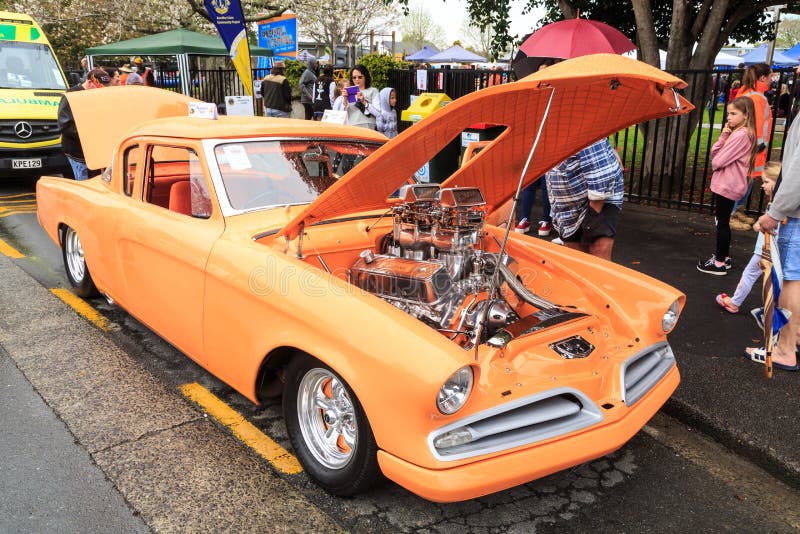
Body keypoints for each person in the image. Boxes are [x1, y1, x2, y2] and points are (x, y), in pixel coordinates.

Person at [749, 113, 800, 371]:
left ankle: (785, 349)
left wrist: (776, 212)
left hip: (796, 214)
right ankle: (793, 341)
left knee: (792, 279)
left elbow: (797, 174)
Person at [697, 97, 758, 275]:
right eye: (728, 113)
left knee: (722, 223)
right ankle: (723, 257)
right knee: (723, 222)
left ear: (746, 115)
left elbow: (717, 161)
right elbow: (716, 154)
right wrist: (724, 134)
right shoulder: (740, 133)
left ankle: (719, 263)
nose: (728, 117)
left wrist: (725, 139)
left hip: (728, 184)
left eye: (733, 113)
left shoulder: (741, 135)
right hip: (729, 183)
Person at [715, 161, 781, 313]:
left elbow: (764, 225)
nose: (762, 185)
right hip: (773, 249)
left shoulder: (777, 205)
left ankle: (734, 302)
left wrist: (758, 225)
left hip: (765, 248)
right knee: (776, 279)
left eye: (766, 182)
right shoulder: (781, 204)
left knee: (750, 274)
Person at [545, 138, 624, 261]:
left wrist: (592, 219)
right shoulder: (552, 131)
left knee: (597, 253)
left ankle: (599, 280)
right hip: (569, 207)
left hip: (598, 201)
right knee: (576, 258)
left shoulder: (583, 131)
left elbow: (601, 177)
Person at [731, 63, 772, 221]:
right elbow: (758, 123)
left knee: (745, 179)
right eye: (770, 75)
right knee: (744, 180)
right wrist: (759, 145)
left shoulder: (748, 93)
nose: (772, 79)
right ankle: (732, 213)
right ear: (762, 77)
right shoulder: (756, 97)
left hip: (748, 144)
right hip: (753, 146)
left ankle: (736, 211)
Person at [57, 68, 112, 180]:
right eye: (99, 87)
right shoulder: (71, 95)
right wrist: (89, 135)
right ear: (90, 82)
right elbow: (65, 125)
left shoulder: (97, 95)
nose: (101, 91)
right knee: (83, 182)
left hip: (94, 151)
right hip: (77, 152)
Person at [340, 64, 378, 129]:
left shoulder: (373, 91)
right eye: (354, 77)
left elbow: (378, 113)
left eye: (360, 77)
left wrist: (364, 102)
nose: (357, 79)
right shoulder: (348, 91)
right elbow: (342, 114)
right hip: (352, 126)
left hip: (368, 126)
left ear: (365, 77)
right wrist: (345, 100)